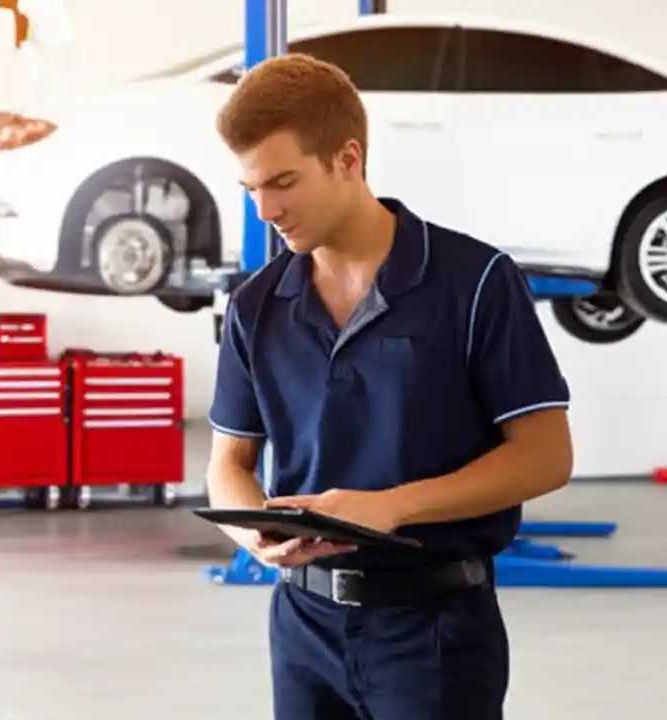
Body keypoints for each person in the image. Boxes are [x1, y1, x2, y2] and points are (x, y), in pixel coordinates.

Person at [204, 53, 575, 720]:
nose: (266, 210)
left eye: (283, 181)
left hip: (433, 629)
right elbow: (227, 464)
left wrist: (393, 506)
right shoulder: (254, 306)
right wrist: (253, 537)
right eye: (251, 187)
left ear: (348, 159)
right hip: (300, 624)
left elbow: (547, 455)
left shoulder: (476, 282)